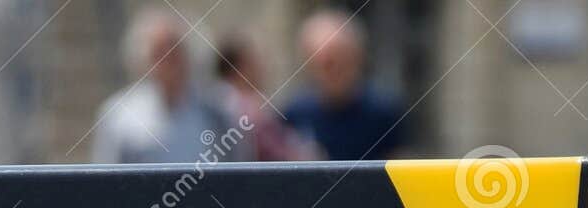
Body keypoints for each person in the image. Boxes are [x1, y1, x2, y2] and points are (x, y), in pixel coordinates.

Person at [93, 6, 227, 165]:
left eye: (175, 51)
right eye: (159, 53)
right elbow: (106, 177)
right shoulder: (118, 115)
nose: (168, 62)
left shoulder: (218, 110)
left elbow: (235, 172)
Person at [282, 8, 407, 161]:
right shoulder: (294, 114)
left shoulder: (383, 112)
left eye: (340, 61)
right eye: (323, 65)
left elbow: (397, 167)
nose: (332, 73)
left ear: (357, 58)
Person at [214, 32, 319, 163]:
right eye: (258, 60)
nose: (266, 67)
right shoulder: (245, 108)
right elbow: (278, 155)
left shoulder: (220, 100)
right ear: (241, 66)